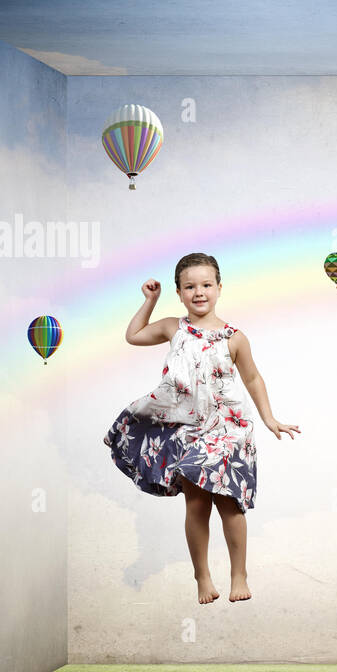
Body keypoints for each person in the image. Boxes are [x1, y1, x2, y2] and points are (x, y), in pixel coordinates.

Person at [103, 252, 300, 604]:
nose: (199, 292)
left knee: (230, 502)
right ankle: (202, 576)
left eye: (206, 285)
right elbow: (133, 336)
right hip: (189, 428)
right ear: (179, 293)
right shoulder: (172, 327)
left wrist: (270, 418)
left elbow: (253, 378)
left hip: (228, 427)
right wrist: (149, 301)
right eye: (189, 286)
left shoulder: (234, 337)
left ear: (219, 288)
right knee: (196, 504)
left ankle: (239, 574)